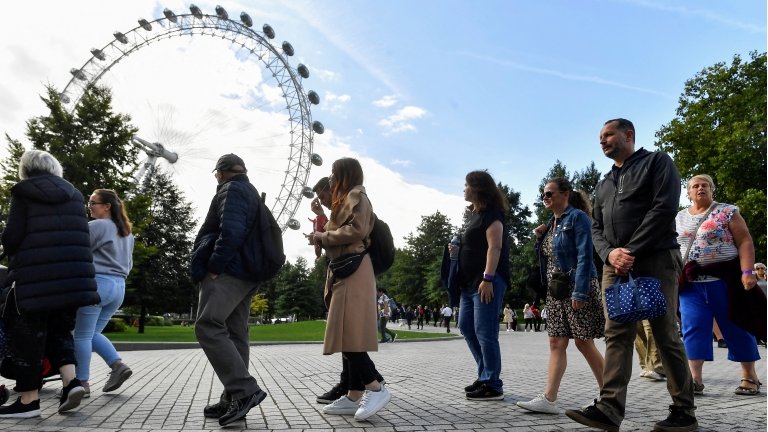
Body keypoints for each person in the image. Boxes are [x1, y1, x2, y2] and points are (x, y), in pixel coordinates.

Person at [565, 118, 697, 432]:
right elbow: (595, 227)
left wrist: (631, 249)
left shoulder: (657, 162)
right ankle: (609, 409)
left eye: (608, 134)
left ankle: (684, 412)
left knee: (665, 334)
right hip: (616, 267)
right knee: (617, 335)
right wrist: (611, 254)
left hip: (655, 260)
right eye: (599, 136)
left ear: (629, 135)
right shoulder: (604, 182)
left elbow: (663, 208)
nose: (602, 140)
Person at [0, 150, 98, 417]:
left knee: (29, 337)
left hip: (36, 278)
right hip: (73, 278)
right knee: (60, 331)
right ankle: (71, 383)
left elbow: (12, 237)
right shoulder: (75, 195)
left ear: (26, 169)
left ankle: (29, 401)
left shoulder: (23, 192)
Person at [310, 157, 391, 421]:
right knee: (348, 333)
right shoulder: (346, 199)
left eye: (334, 174)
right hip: (348, 269)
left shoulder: (357, 196)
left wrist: (324, 236)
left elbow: (356, 230)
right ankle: (354, 394)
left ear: (344, 174)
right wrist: (322, 232)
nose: (331, 178)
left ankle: (375, 388)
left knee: (348, 333)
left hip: (353, 270)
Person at [191, 154, 268, 426]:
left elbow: (231, 231)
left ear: (221, 173)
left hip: (230, 271)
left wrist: (215, 264)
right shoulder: (251, 193)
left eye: (216, 174)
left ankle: (245, 391)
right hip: (249, 272)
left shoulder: (232, 189)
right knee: (236, 334)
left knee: (208, 325)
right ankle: (232, 398)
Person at [517, 178, 605, 415]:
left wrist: (580, 290)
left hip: (578, 286)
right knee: (556, 342)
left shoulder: (578, 218)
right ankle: (549, 399)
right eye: (543, 194)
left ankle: (610, 395)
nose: (545, 198)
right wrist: (539, 239)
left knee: (584, 342)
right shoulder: (551, 223)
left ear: (565, 194)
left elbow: (586, 256)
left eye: (549, 193)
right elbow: (550, 257)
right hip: (556, 290)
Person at [675, 174, 761, 396]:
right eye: (695, 186)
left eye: (705, 185)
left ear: (712, 189)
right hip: (691, 284)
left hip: (726, 280)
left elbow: (745, 241)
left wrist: (748, 271)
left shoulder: (727, 211)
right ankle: (694, 380)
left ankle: (749, 376)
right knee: (692, 327)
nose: (700, 188)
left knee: (737, 324)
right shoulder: (679, 217)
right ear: (689, 192)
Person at [73, 189, 135, 399]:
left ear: (107, 205)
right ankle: (117, 365)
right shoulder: (127, 233)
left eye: (93, 203)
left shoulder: (97, 226)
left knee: (80, 335)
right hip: (118, 288)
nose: (89, 207)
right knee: (92, 334)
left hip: (98, 284)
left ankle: (81, 382)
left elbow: (78, 253)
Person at [454, 170, 509, 401]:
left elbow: (494, 247)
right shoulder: (473, 215)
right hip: (468, 285)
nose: (464, 189)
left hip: (486, 281)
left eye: (467, 185)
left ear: (477, 188)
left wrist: (488, 278)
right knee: (466, 327)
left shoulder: (492, 215)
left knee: (486, 333)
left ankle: (493, 384)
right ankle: (484, 374)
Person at [308, 177, 330, 259]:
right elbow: (334, 232)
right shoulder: (338, 211)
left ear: (332, 190)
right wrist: (321, 215)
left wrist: (320, 236)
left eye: (322, 197)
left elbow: (343, 237)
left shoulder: (345, 207)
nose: (321, 202)